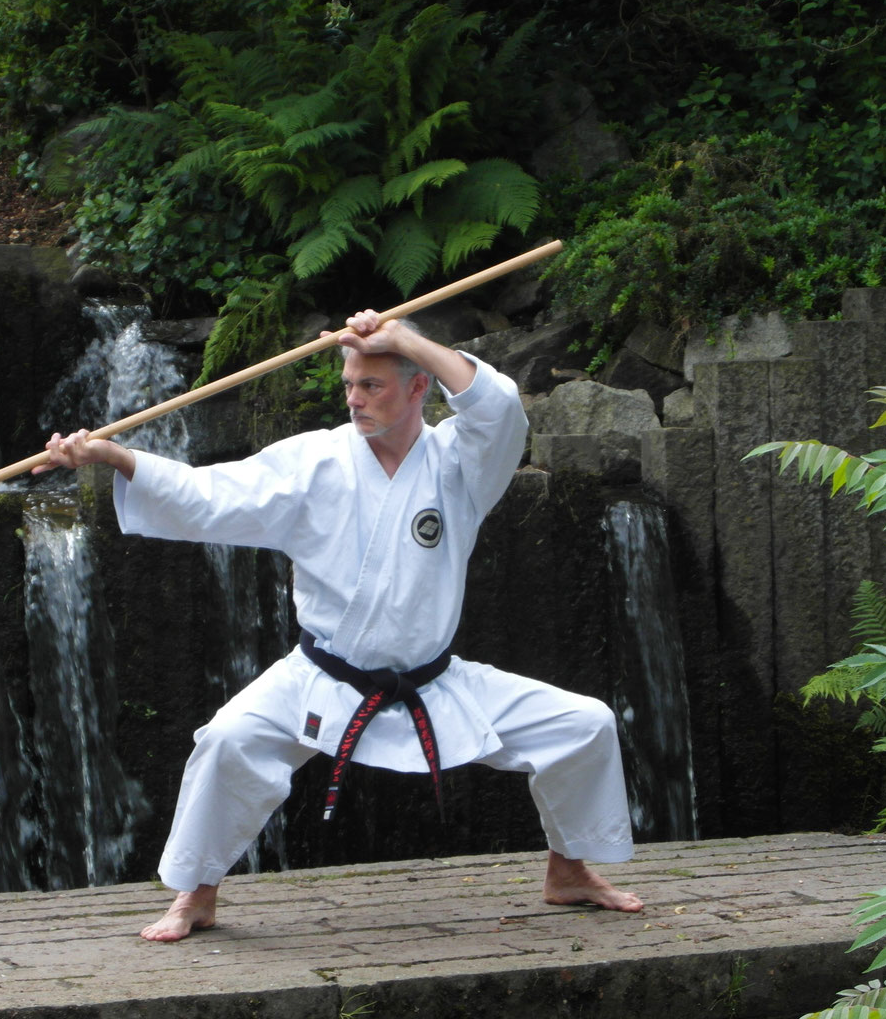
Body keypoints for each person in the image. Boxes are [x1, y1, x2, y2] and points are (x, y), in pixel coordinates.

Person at [35, 309, 643, 941]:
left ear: (418, 386)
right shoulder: (313, 462)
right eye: (349, 384)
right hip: (323, 678)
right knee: (228, 742)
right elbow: (206, 495)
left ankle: (568, 871)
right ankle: (197, 894)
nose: (354, 398)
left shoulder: (461, 466)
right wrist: (113, 455)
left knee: (584, 725)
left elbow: (499, 408)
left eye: (372, 385)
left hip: (434, 682)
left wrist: (404, 337)